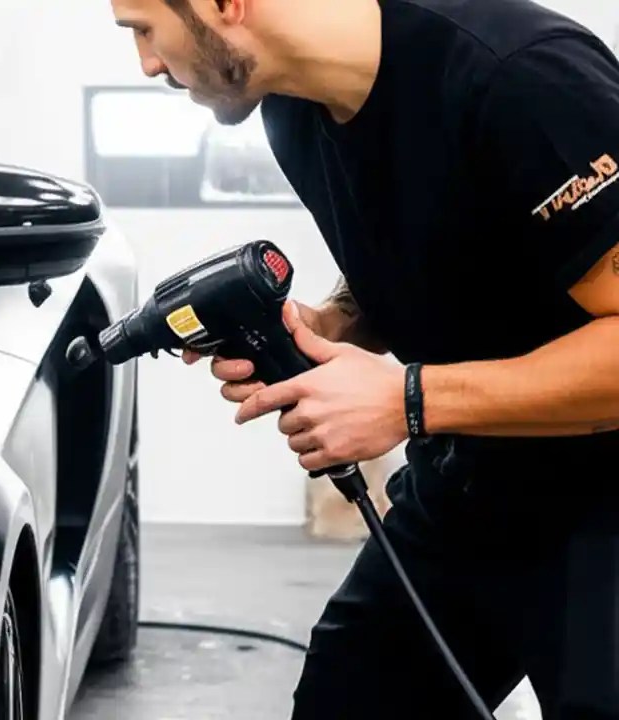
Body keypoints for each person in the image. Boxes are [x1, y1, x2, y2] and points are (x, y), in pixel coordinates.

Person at [108, 0, 619, 717]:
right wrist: (331, 325)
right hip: (470, 480)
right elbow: (429, 241)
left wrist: (406, 401)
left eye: (142, 28)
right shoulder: (292, 109)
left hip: (602, 499)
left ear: (227, 6)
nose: (148, 63)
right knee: (351, 699)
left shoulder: (521, 78)